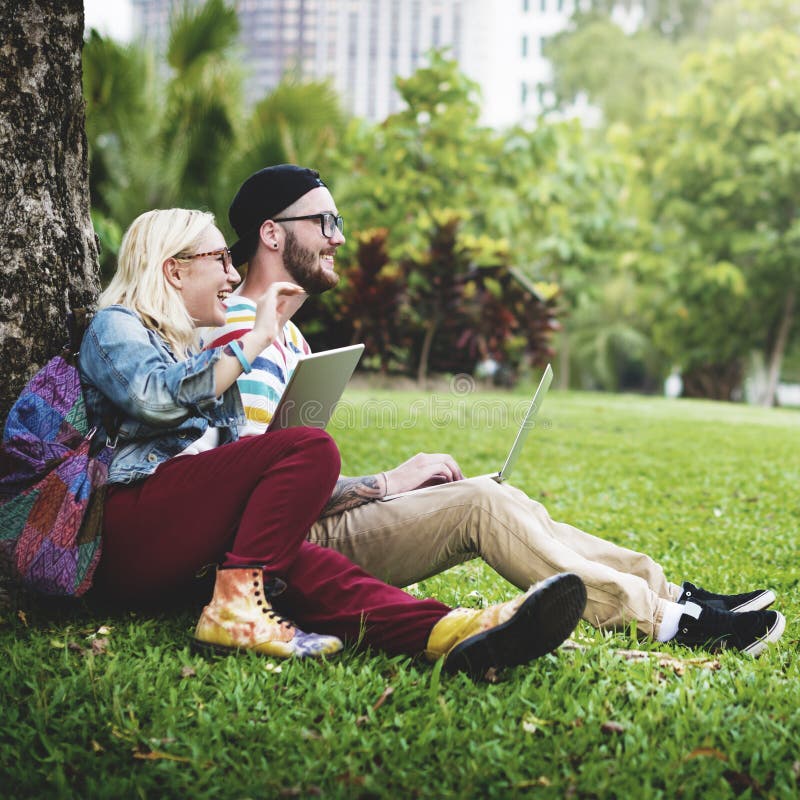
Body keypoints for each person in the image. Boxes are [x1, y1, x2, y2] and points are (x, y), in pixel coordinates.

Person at [208, 164, 786, 658]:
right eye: (323, 222)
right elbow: (252, 498)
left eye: (338, 223)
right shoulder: (244, 334)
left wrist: (397, 488)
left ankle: (668, 594)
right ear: (272, 234)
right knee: (481, 503)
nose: (337, 238)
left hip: (311, 529)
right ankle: (663, 621)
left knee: (500, 495)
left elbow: (290, 476)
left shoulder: (292, 340)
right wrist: (388, 482)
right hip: (283, 558)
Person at [77, 207, 587, 679]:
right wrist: (255, 338)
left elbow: (226, 464)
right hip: (130, 529)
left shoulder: (194, 345)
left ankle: (455, 633)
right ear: (174, 270)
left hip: (186, 546)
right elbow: (153, 399)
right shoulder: (117, 325)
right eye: (221, 260)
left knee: (313, 569)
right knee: (309, 448)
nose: (233, 276)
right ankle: (236, 608)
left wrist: (379, 488)